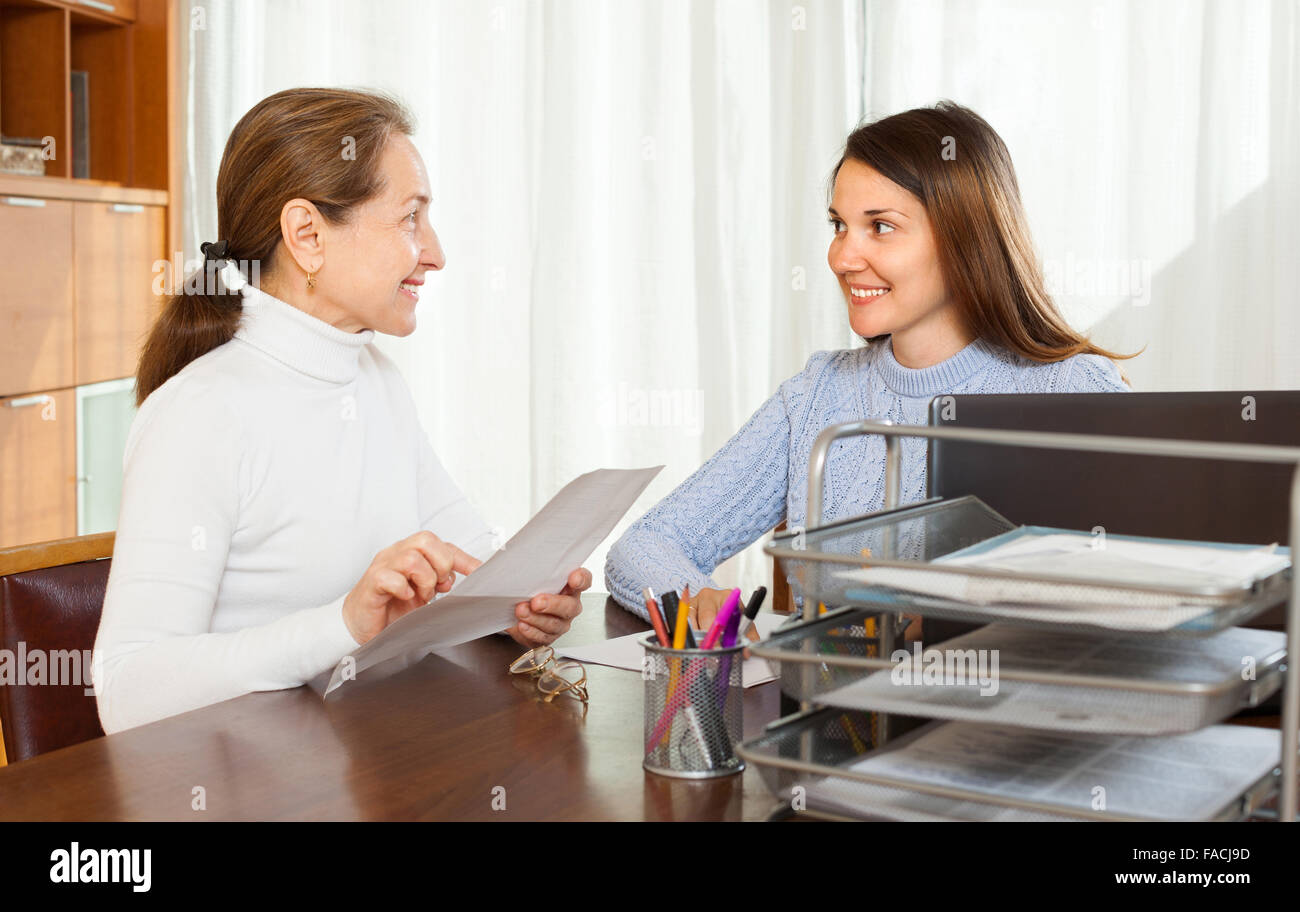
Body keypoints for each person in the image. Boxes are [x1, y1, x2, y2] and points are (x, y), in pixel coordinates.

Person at [93, 88, 589, 735]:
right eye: (410, 219)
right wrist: (342, 624)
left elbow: (468, 552)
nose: (435, 252)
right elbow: (127, 689)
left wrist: (522, 603)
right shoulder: (199, 414)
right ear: (306, 235)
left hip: (363, 760)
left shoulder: (374, 379)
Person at [605, 101, 1135, 628]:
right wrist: (700, 603)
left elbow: (1147, 595)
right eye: (839, 225)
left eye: (880, 227)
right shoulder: (819, 394)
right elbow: (647, 544)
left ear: (965, 238)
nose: (841, 257)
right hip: (834, 706)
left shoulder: (1071, 390)